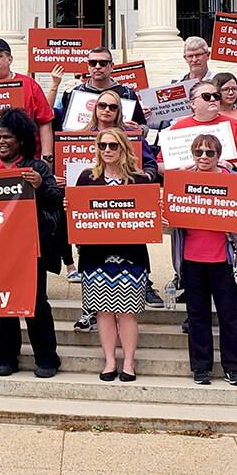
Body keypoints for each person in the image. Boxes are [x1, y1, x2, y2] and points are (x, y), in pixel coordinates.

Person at [0, 107, 62, 377]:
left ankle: (46, 358)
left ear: (21, 140)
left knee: (36, 304)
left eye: (7, 138)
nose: (1, 142)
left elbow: (56, 200)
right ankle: (7, 356)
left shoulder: (36, 167)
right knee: (2, 303)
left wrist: (41, 184)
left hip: (30, 248)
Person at [171, 133, 237, 386]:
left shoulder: (234, 182)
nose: (203, 157)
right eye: (198, 152)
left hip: (225, 261)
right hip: (192, 260)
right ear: (192, 154)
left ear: (218, 156)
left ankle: (234, 368)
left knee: (230, 317)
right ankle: (201, 368)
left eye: (209, 152)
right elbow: (171, 223)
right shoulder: (182, 180)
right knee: (197, 316)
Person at [70, 89, 164, 328]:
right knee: (90, 259)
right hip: (93, 218)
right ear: (95, 108)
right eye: (103, 106)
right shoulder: (77, 136)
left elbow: (151, 165)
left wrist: (146, 178)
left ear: (119, 111)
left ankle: (143, 289)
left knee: (129, 266)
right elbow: (73, 177)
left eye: (113, 107)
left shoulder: (131, 135)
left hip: (127, 219)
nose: (107, 111)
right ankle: (89, 309)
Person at [76, 127, 160, 383]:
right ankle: (110, 361)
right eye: (103, 146)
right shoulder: (87, 178)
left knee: (127, 312)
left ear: (123, 148)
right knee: (102, 311)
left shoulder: (141, 181)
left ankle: (129, 363)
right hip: (95, 256)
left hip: (130, 256)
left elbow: (150, 217)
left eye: (113, 146)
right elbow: (78, 215)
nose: (108, 151)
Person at [0, 39, 54, 162]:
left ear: (10, 59)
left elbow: (45, 122)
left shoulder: (29, 85)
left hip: (25, 162)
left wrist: (47, 158)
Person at [167, 81, 237, 174]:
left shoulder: (235, 126)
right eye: (206, 96)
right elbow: (160, 164)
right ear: (192, 104)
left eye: (216, 96)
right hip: (187, 185)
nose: (213, 99)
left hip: (226, 186)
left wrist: (232, 167)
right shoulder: (178, 127)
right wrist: (178, 171)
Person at [51, 45, 144, 131]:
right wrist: (54, 85)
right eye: (93, 63)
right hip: (82, 147)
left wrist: (140, 130)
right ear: (88, 67)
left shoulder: (127, 94)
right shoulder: (74, 93)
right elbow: (60, 123)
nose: (97, 66)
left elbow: (143, 126)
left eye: (103, 63)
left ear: (111, 66)